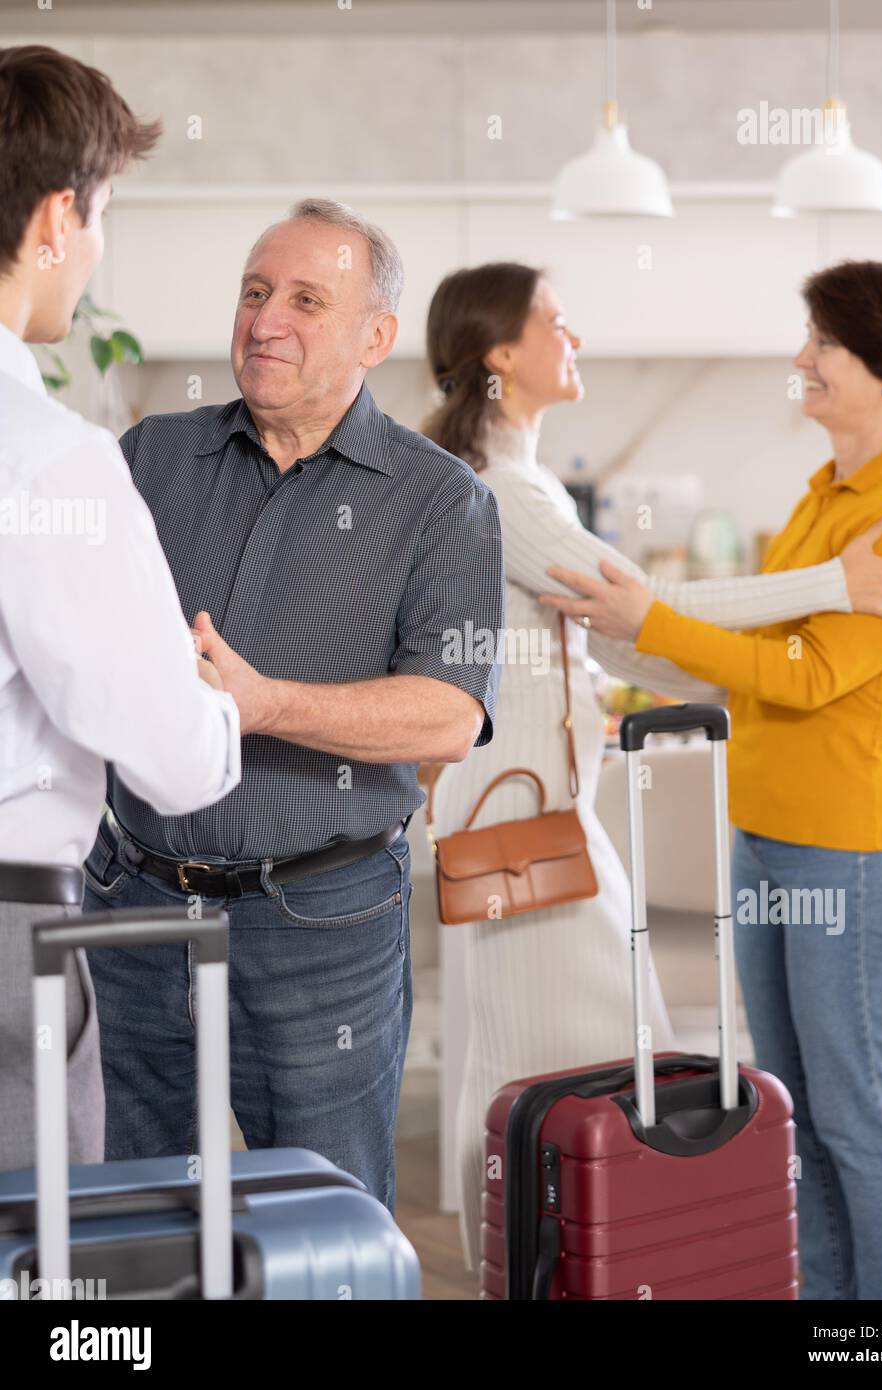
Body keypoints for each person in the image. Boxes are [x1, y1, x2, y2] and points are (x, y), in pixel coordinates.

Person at [421, 260, 882, 1275]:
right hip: (579, 832)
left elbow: (720, 651)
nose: (800, 360)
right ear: (501, 355)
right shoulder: (509, 489)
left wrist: (653, 631)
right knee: (644, 1083)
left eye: (821, 344)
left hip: (840, 841)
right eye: (557, 320)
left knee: (819, 1107)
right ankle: (589, 1263)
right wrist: (818, 584)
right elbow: (662, 624)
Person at [82, 199, 504, 1214]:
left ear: (376, 337)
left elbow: (447, 715)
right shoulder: (150, 459)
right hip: (135, 896)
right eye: (255, 291)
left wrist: (263, 702)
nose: (266, 319)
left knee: (322, 1213)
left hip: (323, 919)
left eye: (308, 300)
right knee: (133, 1213)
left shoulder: (443, 501)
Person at [0, 45, 241, 1172]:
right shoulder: (51, 459)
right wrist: (210, 700)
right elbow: (179, 762)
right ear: (56, 216)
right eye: (100, 218)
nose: (96, 252)